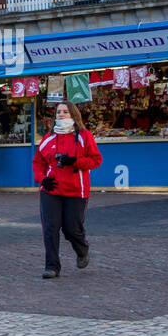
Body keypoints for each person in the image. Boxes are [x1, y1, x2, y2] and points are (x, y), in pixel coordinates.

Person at [35, 101, 102, 279]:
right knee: (50, 228)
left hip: (76, 190)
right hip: (51, 189)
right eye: (58, 112)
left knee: (72, 228)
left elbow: (96, 160)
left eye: (65, 111)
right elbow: (38, 162)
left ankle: (82, 249)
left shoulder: (84, 136)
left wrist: (75, 161)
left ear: (73, 114)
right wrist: (42, 179)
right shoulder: (48, 138)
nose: (62, 115)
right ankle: (52, 266)